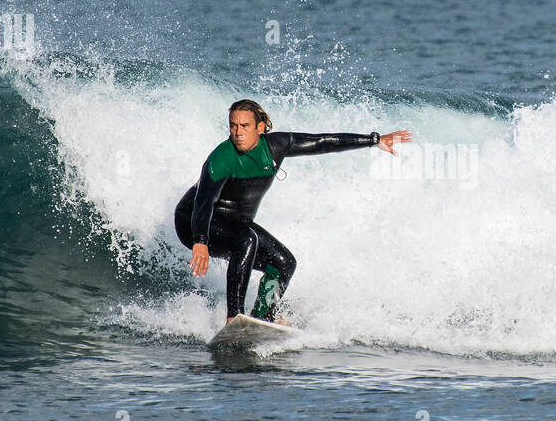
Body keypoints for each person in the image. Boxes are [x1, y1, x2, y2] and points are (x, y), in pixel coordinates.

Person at [174, 99, 411, 323]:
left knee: (284, 262)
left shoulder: (277, 146)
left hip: (234, 223)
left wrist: (374, 140)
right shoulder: (221, 159)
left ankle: (263, 316)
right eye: (233, 126)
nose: (238, 132)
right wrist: (201, 241)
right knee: (247, 240)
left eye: (245, 126)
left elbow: (322, 142)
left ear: (261, 127)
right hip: (193, 222)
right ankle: (234, 317)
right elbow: (203, 201)